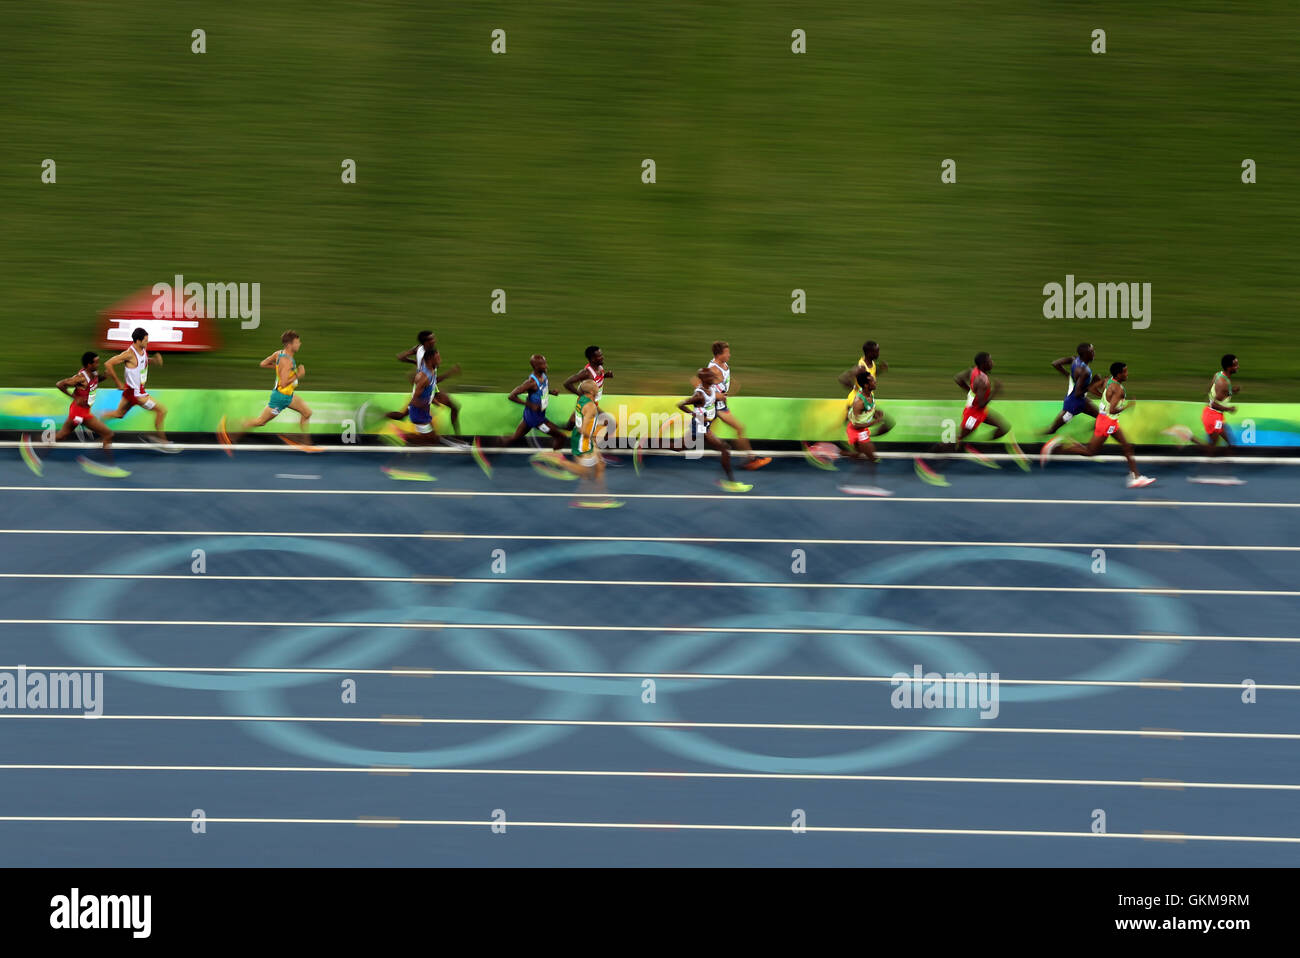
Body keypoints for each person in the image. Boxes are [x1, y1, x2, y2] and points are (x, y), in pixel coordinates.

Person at [914, 352, 1027, 486]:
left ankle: (975, 444)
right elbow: (981, 404)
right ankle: (925, 461)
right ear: (984, 364)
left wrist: (970, 392)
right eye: (990, 361)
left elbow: (957, 378)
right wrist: (996, 391)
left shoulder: (973, 370)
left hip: (980, 411)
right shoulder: (982, 381)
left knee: (1003, 427)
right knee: (955, 440)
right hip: (973, 414)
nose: (993, 363)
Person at [1040, 361, 1156, 488]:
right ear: (1118, 374)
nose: (1127, 374)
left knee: (1127, 446)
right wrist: (1127, 406)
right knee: (1090, 452)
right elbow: (1112, 410)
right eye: (1125, 372)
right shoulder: (1119, 390)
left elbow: (1091, 388)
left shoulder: (1108, 380)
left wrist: (1104, 397)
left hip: (1107, 420)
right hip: (1107, 422)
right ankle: (1057, 447)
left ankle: (1135, 477)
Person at [21, 351, 129, 478]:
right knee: (105, 434)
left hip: (83, 412)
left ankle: (32, 445)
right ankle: (106, 465)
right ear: (89, 364)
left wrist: (106, 375)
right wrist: (74, 397)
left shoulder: (93, 373)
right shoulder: (80, 378)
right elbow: (60, 384)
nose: (98, 364)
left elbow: (96, 380)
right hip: (78, 413)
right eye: (96, 362)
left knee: (64, 436)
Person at [218, 330, 317, 454]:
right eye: (297, 342)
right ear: (289, 345)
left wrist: (278, 368)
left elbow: (263, 363)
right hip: (280, 398)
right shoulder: (287, 361)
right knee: (260, 422)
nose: (300, 344)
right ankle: (229, 430)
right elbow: (283, 383)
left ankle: (300, 440)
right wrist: (298, 374)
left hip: (289, 395)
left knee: (307, 413)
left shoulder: (278, 354)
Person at [533, 379, 623, 508]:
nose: (598, 389)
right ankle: (560, 460)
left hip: (580, 437)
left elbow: (579, 419)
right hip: (583, 441)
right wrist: (594, 435)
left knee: (600, 465)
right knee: (585, 472)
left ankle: (598, 498)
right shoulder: (591, 406)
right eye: (596, 387)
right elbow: (583, 429)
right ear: (591, 391)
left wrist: (600, 424)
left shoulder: (581, 400)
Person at [675, 366, 751, 492]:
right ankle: (731, 483)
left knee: (678, 447)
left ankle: (648, 443)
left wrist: (720, 396)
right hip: (701, 427)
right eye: (710, 376)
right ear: (704, 379)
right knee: (725, 450)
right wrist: (695, 414)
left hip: (704, 426)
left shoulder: (710, 389)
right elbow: (680, 404)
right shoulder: (699, 395)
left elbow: (713, 399)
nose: (713, 377)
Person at [696, 341, 770, 470]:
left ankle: (739, 455)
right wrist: (717, 395)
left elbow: (722, 381)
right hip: (716, 407)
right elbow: (700, 386)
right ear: (719, 355)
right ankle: (750, 459)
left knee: (707, 433)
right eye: (727, 352)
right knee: (739, 428)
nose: (729, 354)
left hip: (721, 406)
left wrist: (730, 385)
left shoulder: (723, 365)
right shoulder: (713, 369)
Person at [101, 328, 175, 450]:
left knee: (119, 414)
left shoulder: (143, 350)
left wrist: (154, 361)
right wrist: (118, 382)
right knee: (161, 411)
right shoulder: (129, 354)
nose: (148, 342)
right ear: (138, 341)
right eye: (146, 340)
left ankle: (100, 419)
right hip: (137, 395)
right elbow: (108, 363)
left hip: (132, 392)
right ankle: (162, 442)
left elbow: (142, 362)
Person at [838, 369, 891, 496]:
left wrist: (875, 414)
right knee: (873, 458)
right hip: (857, 430)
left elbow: (868, 411)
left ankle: (840, 453)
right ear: (866, 385)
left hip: (862, 429)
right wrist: (875, 422)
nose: (875, 381)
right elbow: (856, 424)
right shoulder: (859, 402)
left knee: (859, 456)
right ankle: (872, 487)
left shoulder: (870, 394)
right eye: (872, 380)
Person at [1044, 343, 1103, 435]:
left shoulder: (1075, 360)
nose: (1094, 353)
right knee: (1053, 429)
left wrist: (1068, 375)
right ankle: (1035, 437)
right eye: (1091, 351)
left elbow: (1055, 363)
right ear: (1085, 355)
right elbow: (1078, 393)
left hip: (1079, 400)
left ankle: (1094, 432)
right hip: (1075, 403)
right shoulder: (1085, 371)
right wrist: (1093, 384)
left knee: (1102, 418)